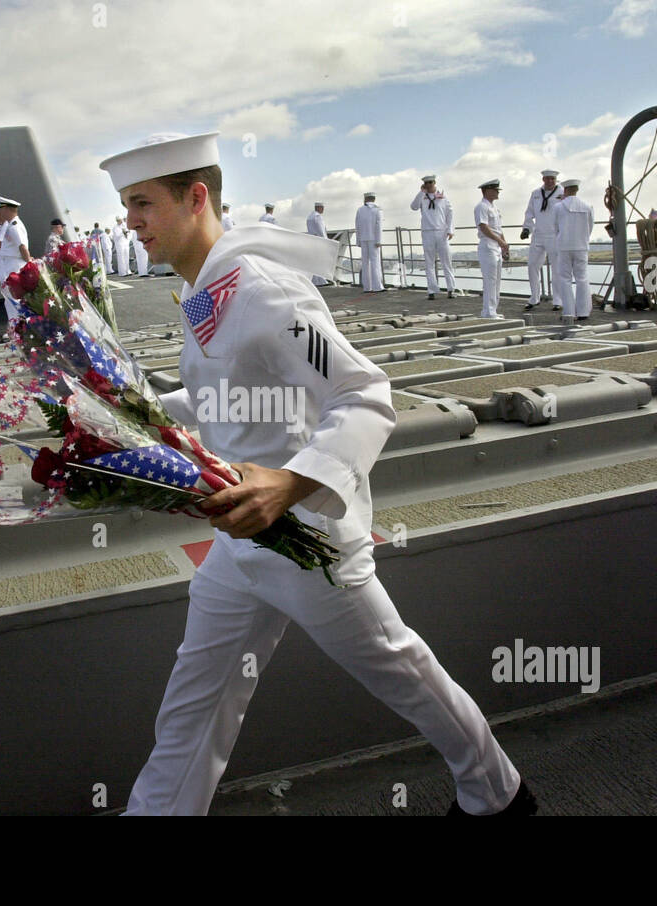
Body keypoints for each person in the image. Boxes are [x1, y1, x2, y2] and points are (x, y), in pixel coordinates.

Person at [98, 130, 535, 817]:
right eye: (126, 206)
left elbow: (364, 394)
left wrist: (289, 483)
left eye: (142, 203)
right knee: (196, 700)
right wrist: (129, 417)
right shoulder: (209, 288)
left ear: (197, 197)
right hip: (241, 540)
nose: (131, 222)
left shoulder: (262, 291)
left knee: (403, 672)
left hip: (304, 539)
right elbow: (227, 393)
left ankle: (497, 793)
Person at [552, 179, 594, 321]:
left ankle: (569, 312)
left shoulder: (558, 207)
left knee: (565, 279)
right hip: (581, 245)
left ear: (565, 190)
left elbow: (555, 227)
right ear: (577, 189)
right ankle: (583, 311)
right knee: (582, 278)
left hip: (564, 246)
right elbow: (590, 226)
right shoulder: (588, 206)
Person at [410, 175, 457, 300]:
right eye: (426, 183)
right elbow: (413, 206)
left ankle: (451, 289)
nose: (429, 185)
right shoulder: (422, 197)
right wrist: (421, 192)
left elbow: (450, 214)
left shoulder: (443, 197)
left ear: (435, 183)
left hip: (441, 232)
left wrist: (450, 229)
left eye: (430, 182)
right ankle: (431, 290)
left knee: (447, 262)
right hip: (427, 232)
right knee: (429, 263)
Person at [522, 169, 562, 312]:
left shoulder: (561, 192)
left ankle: (558, 300)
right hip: (538, 234)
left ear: (556, 180)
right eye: (547, 179)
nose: (550, 181)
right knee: (532, 265)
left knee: (556, 268)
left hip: (554, 234)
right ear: (543, 179)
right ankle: (534, 297)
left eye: (552, 179)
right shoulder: (536, 194)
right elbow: (529, 212)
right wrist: (526, 228)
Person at [0, 197, 32, 321]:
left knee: (14, 298)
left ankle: (18, 326)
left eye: (1, 209)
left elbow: (22, 247)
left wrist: (30, 264)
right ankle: (15, 326)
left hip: (14, 265)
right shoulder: (9, 225)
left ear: (6, 210)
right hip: (9, 264)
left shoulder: (14, 226)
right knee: (10, 299)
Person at [474, 179, 508, 319]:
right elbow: (484, 227)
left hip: (496, 245)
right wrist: (500, 241)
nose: (497, 192)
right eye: (494, 190)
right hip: (488, 245)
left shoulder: (494, 208)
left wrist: (504, 244)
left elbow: (498, 229)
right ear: (486, 191)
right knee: (490, 280)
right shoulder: (481, 207)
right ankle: (488, 311)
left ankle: (492, 310)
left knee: (496, 280)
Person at [355, 191, 384, 292]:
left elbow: (357, 226)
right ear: (374, 199)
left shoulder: (360, 210)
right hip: (373, 239)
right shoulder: (377, 210)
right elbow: (378, 225)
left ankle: (367, 287)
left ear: (365, 199)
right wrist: (379, 240)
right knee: (375, 262)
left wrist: (358, 241)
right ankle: (377, 286)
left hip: (363, 239)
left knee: (365, 263)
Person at [305, 201, 332, 286]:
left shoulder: (310, 217)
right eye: (322, 208)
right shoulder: (318, 217)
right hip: (319, 241)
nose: (323, 210)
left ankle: (316, 281)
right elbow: (321, 231)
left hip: (311, 240)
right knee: (321, 261)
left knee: (314, 261)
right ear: (319, 208)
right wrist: (326, 241)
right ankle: (322, 281)